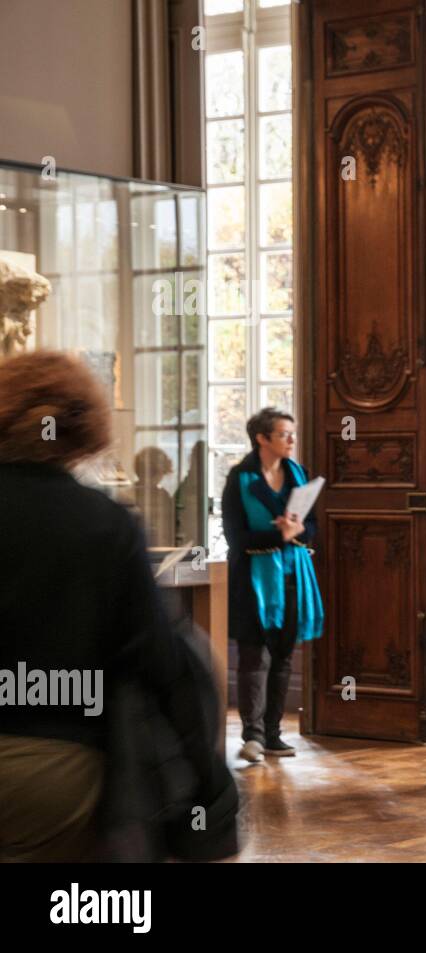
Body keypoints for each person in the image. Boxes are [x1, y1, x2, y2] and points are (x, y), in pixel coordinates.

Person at [0, 351, 237, 861]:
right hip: (59, 767)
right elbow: (157, 658)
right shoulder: (104, 523)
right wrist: (206, 777)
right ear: (83, 428)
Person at [222, 408, 324, 763]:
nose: (292, 440)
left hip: (293, 575)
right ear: (262, 439)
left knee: (283, 655)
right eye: (284, 434)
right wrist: (277, 534)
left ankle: (274, 734)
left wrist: (299, 532)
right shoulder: (240, 479)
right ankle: (253, 735)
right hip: (253, 577)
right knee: (254, 654)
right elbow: (237, 538)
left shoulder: (299, 475)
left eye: (292, 433)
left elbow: (312, 527)